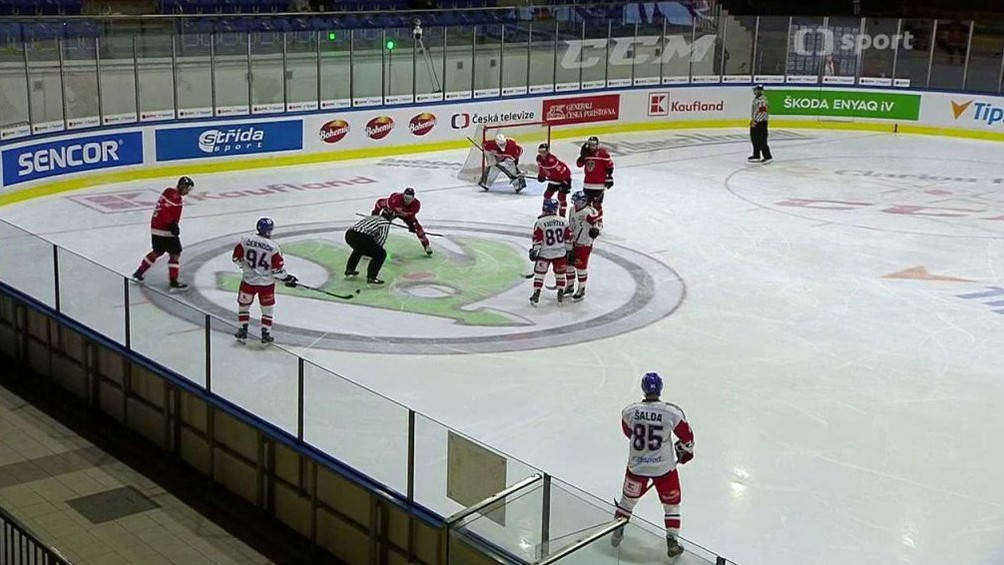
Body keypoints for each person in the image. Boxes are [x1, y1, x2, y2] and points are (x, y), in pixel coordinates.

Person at [612, 372, 694, 559]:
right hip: (664, 469)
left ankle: (617, 531)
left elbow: (629, 433)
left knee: (627, 502)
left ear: (642, 388)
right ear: (660, 389)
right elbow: (687, 438)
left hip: (637, 467)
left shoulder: (630, 411)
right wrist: (684, 453)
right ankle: (672, 541)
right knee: (671, 506)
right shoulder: (672, 412)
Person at [231, 217, 298, 345]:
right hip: (266, 284)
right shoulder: (273, 247)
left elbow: (235, 258)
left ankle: (242, 331)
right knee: (267, 309)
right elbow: (277, 271)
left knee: (244, 306)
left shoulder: (245, 240)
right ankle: (265, 333)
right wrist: (288, 278)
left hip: (248, 281)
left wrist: (245, 267)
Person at [132, 176, 194, 291]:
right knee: (175, 254)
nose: (187, 192)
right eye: (187, 189)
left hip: (155, 227)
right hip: (165, 230)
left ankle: (139, 272)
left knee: (157, 251)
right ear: (182, 186)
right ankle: (173, 281)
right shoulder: (175, 197)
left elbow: (163, 209)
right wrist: (172, 224)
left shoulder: (168, 191)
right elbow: (165, 211)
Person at [529, 199, 572, 306]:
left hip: (544, 254)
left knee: (539, 274)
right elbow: (568, 238)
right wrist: (568, 250)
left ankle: (536, 294)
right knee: (560, 274)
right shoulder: (564, 221)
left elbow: (537, 239)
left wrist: (534, 250)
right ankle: (561, 292)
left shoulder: (540, 222)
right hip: (560, 253)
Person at [371, 187, 432, 255]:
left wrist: (411, 224)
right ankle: (372, 243)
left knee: (417, 227)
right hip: (391, 212)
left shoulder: (416, 205)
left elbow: (411, 215)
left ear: (413, 198)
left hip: (406, 216)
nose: (407, 201)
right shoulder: (394, 200)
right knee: (381, 225)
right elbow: (380, 203)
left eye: (409, 199)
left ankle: (426, 245)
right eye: (405, 198)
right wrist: (375, 212)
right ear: (403, 195)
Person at [565, 191, 602, 301]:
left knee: (580, 267)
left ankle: (581, 288)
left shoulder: (589, 212)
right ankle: (570, 286)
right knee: (569, 265)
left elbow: (598, 222)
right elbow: (571, 224)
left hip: (584, 243)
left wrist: (596, 230)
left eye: (577, 201)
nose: (574, 203)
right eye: (574, 201)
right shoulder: (572, 210)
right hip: (572, 242)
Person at [345, 208, 394, 285]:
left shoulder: (373, 217)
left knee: (359, 249)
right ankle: (372, 277)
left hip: (349, 234)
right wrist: (376, 250)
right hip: (362, 237)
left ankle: (350, 270)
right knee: (380, 254)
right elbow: (381, 238)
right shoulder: (385, 223)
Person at [576, 136, 613, 212]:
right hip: (587, 184)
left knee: (597, 205)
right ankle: (588, 223)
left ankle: (598, 222)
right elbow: (579, 165)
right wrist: (582, 156)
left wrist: (609, 177)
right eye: (590, 144)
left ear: (597, 144)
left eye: (594, 145)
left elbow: (609, 166)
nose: (592, 147)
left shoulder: (603, 153)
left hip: (599, 184)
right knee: (586, 206)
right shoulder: (586, 153)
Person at [536, 143, 573, 216]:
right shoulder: (539, 158)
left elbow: (564, 170)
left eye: (543, 151)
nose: (542, 153)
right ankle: (545, 212)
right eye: (540, 151)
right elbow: (542, 168)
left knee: (561, 198)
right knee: (547, 195)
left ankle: (562, 215)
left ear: (547, 151)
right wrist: (541, 176)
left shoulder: (552, 160)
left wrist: (566, 181)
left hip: (563, 180)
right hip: (553, 180)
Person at [748, 84, 772, 164]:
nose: (754, 91)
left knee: (762, 140)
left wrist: (756, 121)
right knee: (754, 139)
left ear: (759, 90)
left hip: (761, 123)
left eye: (755, 90)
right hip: (756, 121)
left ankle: (767, 156)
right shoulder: (756, 99)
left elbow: (763, 112)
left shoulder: (762, 101)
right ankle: (756, 155)